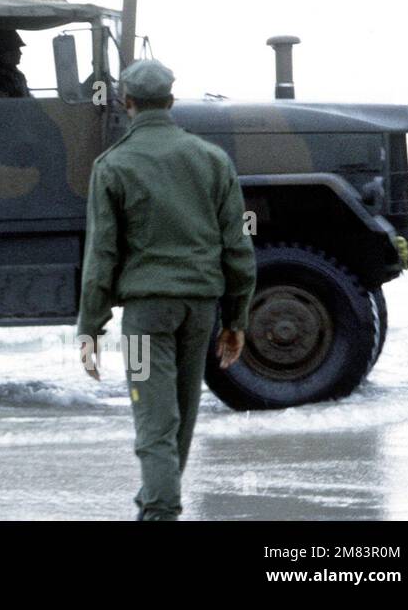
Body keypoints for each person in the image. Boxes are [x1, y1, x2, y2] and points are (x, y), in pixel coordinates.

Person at [77, 59, 256, 520]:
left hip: (143, 316)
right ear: (172, 102)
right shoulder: (213, 160)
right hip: (199, 309)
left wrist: (90, 326)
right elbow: (238, 248)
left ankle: (159, 509)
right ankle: (154, 502)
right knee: (181, 411)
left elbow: (101, 256)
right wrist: (237, 320)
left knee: (151, 415)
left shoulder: (111, 165)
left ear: (126, 103)